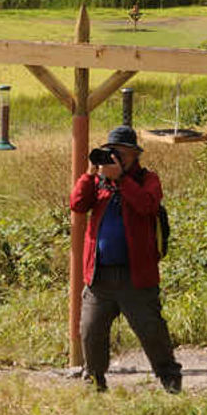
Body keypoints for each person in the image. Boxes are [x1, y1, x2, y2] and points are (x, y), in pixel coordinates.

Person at [69, 125, 182, 393]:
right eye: (110, 152)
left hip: (136, 276)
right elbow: (77, 204)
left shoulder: (147, 179)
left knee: (151, 330)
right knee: (90, 330)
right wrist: (89, 173)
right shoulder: (99, 183)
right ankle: (95, 383)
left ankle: (170, 381)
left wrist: (121, 179)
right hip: (100, 276)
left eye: (119, 153)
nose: (114, 157)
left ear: (134, 155)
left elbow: (147, 205)